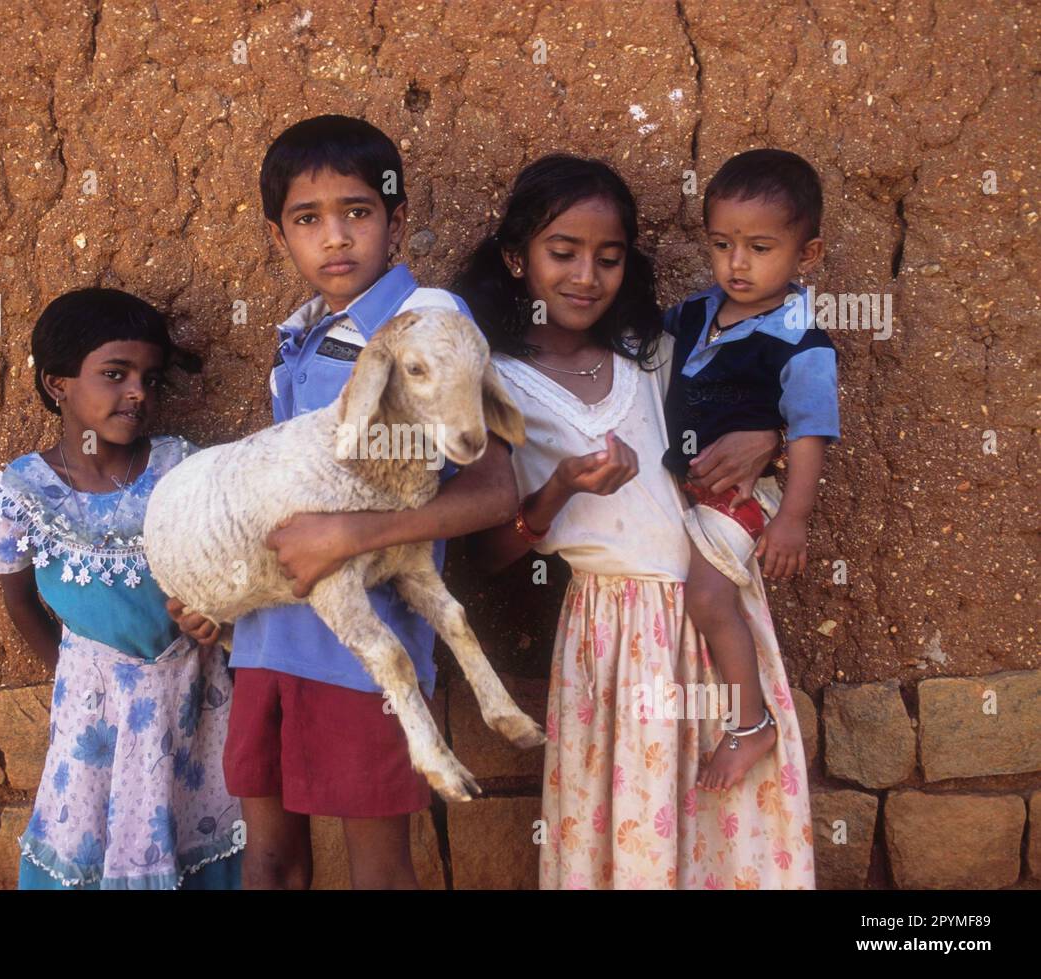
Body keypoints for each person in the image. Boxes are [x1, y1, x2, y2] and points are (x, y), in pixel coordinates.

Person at [168, 114, 520, 889]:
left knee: (376, 866)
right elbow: (282, 505)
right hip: (265, 638)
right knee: (268, 857)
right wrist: (216, 595)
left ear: (395, 222)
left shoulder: (430, 321)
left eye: (357, 213)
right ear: (277, 236)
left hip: (370, 656)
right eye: (308, 220)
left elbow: (496, 488)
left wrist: (347, 537)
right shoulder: (296, 340)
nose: (335, 238)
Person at [459, 154, 815, 888]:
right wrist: (559, 487)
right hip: (614, 637)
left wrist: (771, 439)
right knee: (631, 833)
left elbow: (751, 404)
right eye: (562, 253)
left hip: (714, 604)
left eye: (609, 257)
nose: (586, 275)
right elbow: (488, 549)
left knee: (731, 831)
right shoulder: (492, 381)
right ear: (514, 258)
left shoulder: (654, 352)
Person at [0, 287, 242, 889]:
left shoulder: (181, 472)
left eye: (149, 376)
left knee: (198, 834)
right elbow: (18, 600)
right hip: (93, 712)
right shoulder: (24, 492)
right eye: (114, 374)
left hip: (193, 695)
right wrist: (76, 673)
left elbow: (229, 577)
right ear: (58, 384)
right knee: (88, 836)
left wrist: (214, 627)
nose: (137, 392)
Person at [661, 149, 839, 790]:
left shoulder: (801, 342)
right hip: (683, 492)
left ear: (806, 255)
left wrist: (792, 520)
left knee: (708, 599)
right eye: (722, 244)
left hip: (739, 497)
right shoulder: (692, 315)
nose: (737, 264)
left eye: (760, 247)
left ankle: (751, 725)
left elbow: (813, 433)